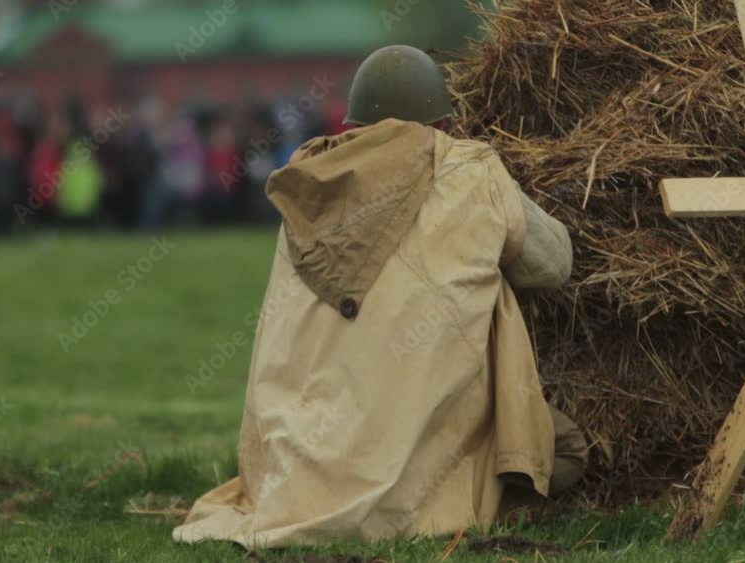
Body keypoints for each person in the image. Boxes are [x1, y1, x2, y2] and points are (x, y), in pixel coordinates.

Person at [174, 45, 587, 548]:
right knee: (563, 448)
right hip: (410, 482)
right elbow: (555, 264)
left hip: (296, 475)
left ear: (351, 127)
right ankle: (448, 511)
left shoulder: (307, 189)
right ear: (442, 122)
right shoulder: (470, 172)